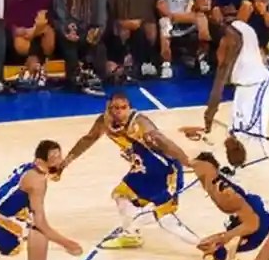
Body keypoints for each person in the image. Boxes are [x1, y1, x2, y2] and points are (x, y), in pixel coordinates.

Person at [60, 90, 199, 250]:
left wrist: (187, 160)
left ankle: (209, 247)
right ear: (108, 108)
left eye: (122, 108)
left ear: (130, 108)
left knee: (166, 219)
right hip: (143, 169)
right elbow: (88, 139)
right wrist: (65, 163)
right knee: (121, 195)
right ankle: (131, 234)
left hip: (165, 171)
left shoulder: (139, 122)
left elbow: (163, 141)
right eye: (114, 108)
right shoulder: (104, 122)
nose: (118, 112)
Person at [179, 7, 269, 174]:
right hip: (244, 90)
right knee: (235, 137)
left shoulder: (231, 40)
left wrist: (210, 111)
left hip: (258, 89)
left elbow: (221, 78)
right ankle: (235, 173)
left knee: (257, 138)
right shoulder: (241, 27)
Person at [187, 151, 269, 260]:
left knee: (221, 242)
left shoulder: (226, 191)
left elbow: (251, 224)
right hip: (251, 217)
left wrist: (227, 236)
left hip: (257, 225)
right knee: (207, 244)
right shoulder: (214, 181)